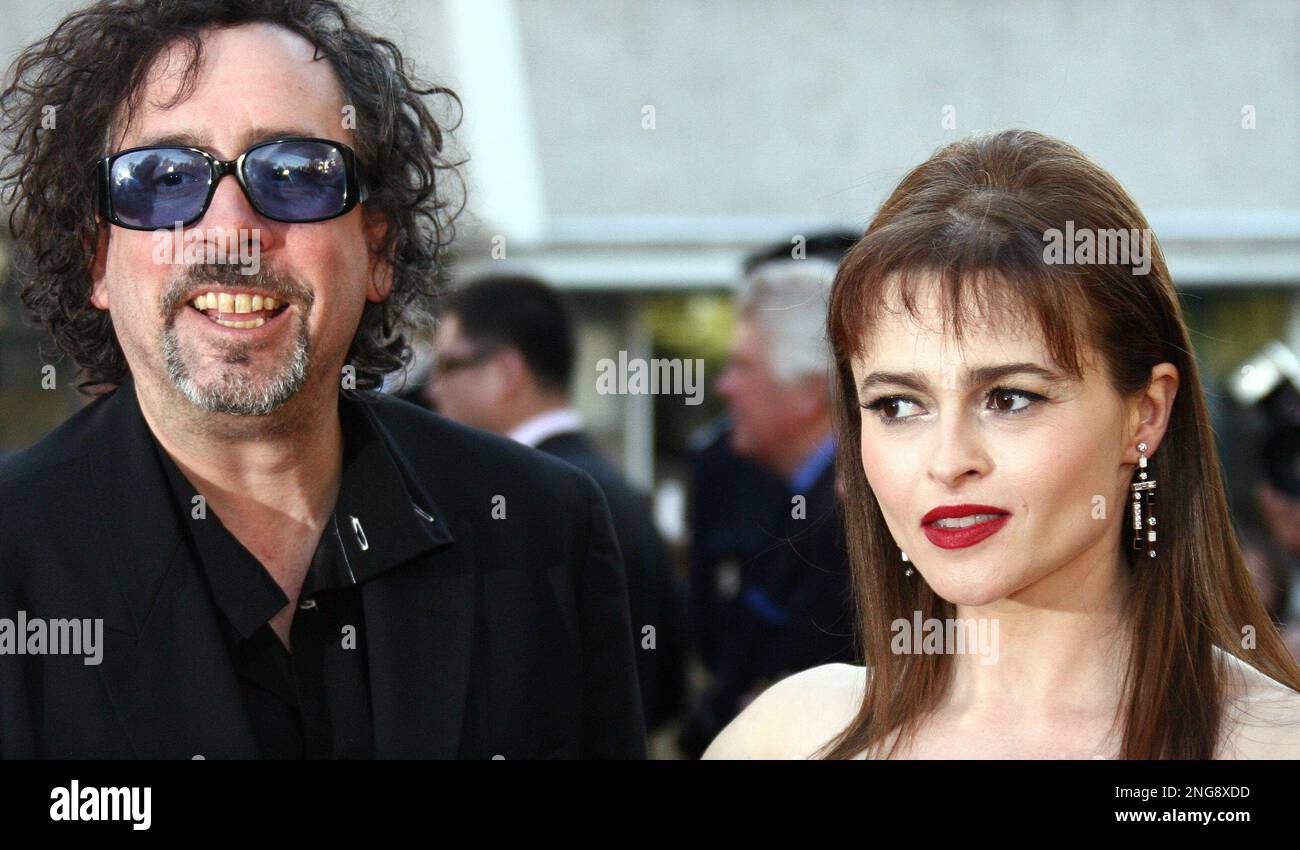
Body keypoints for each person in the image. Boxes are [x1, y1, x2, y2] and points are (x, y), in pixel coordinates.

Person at [0, 0, 644, 759]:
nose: (232, 229)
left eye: (296, 172)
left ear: (378, 249)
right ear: (97, 258)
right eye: (164, 177)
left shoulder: (544, 529)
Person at [705, 129, 1300, 759]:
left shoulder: (1269, 746)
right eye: (898, 406)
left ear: (1145, 415)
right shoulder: (786, 738)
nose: (949, 460)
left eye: (1010, 398)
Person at [427, 273, 685, 730]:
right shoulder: (613, 488)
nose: (433, 389)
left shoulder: (521, 503)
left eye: (448, 365)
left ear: (507, 373)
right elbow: (662, 684)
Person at [681, 233, 858, 756]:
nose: (724, 387)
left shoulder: (856, 525)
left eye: (743, 366)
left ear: (808, 392)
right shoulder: (802, 499)